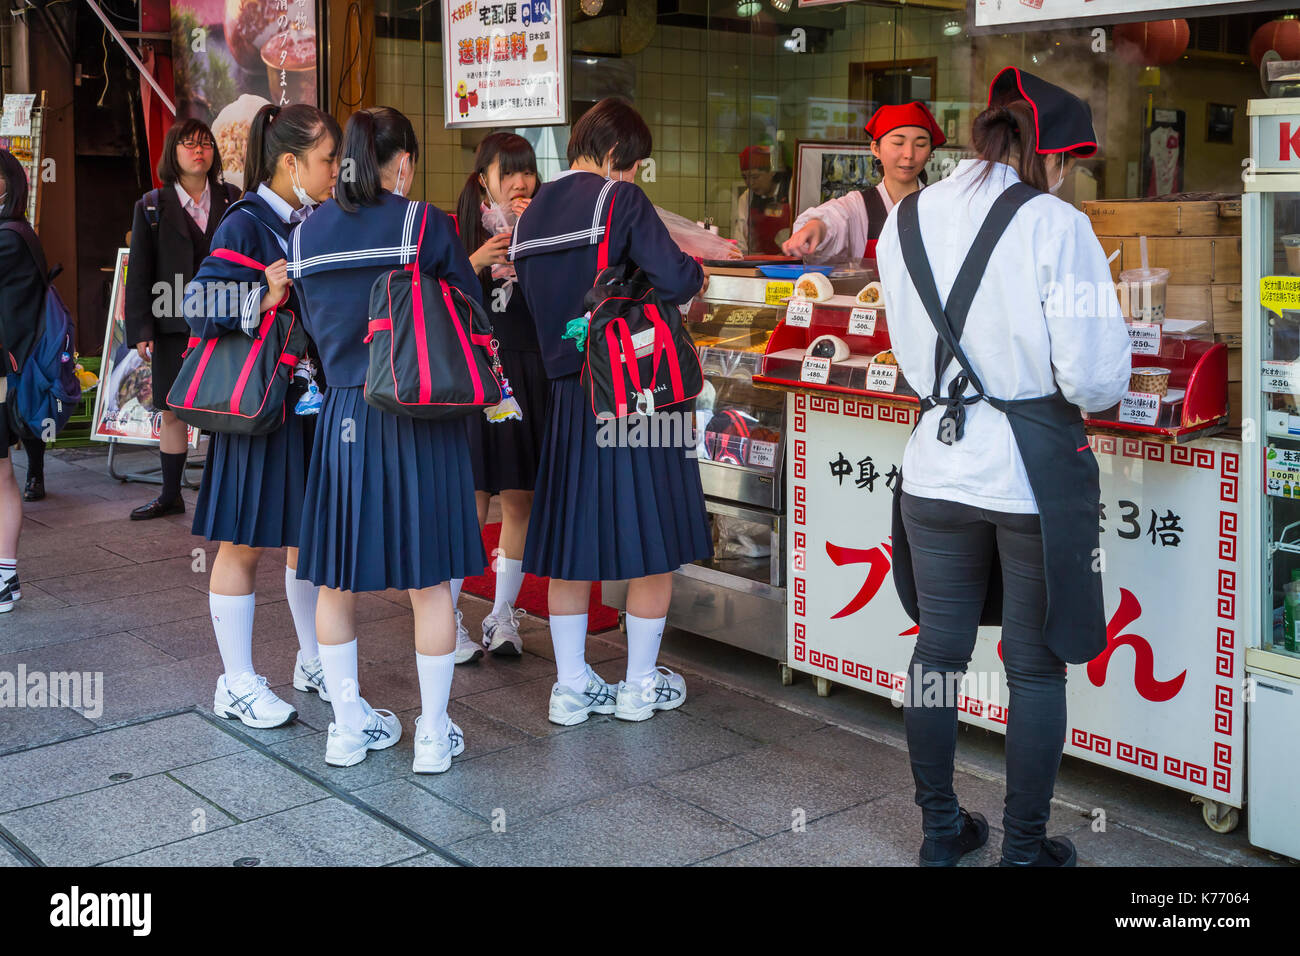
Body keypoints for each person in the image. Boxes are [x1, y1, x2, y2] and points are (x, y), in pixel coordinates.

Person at [875, 68, 1131, 867]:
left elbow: (913, 350)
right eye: (1070, 162)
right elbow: (1095, 379)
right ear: (1050, 155)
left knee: (938, 654)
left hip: (934, 470)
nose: (1067, 177)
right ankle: (1025, 850)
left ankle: (940, 830)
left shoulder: (905, 216)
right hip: (1027, 478)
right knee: (1035, 667)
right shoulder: (1057, 223)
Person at [292, 106, 486, 772]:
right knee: (430, 582)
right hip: (415, 412)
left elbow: (312, 333)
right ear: (401, 161)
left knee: (335, 583)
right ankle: (432, 733)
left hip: (342, 416)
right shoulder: (421, 223)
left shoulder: (305, 234)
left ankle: (348, 727)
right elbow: (470, 314)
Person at [510, 97, 712, 726]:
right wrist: (697, 262)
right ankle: (640, 684)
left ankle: (571, 685)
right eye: (635, 164)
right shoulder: (617, 201)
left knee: (571, 537)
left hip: (569, 397)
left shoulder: (530, 214)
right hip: (634, 392)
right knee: (652, 537)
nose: (633, 176)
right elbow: (679, 281)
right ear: (619, 154)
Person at [183, 103, 340, 729]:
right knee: (242, 544)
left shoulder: (309, 221)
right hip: (255, 411)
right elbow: (197, 301)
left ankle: (310, 659)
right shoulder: (245, 222)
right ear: (290, 163)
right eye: (327, 159)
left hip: (298, 407)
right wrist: (261, 295)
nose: (336, 170)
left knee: (307, 538)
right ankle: (237, 681)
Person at [449, 132, 547, 663]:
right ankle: (447, 617)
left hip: (528, 370)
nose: (520, 182)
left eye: (527, 171)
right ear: (484, 175)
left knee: (520, 496)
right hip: (477, 372)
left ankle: (502, 614)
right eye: (508, 172)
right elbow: (434, 294)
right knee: (469, 496)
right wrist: (477, 260)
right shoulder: (456, 227)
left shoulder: (543, 222)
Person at [124, 119, 241, 520]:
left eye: (206, 144)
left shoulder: (232, 198)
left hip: (226, 319)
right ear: (173, 153)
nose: (199, 151)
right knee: (172, 408)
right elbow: (139, 272)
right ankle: (170, 495)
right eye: (189, 144)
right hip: (171, 321)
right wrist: (140, 329)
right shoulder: (152, 205)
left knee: (227, 406)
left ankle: (226, 495)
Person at [783, 101, 945, 261]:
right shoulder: (858, 206)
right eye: (898, 143)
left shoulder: (942, 205)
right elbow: (833, 217)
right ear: (876, 149)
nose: (909, 154)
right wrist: (816, 226)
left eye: (920, 144)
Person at [0, 147, 45, 613]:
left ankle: (6, 576)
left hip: (2, 373)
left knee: (0, 476)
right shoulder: (15, 233)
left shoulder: (10, 238)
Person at [730, 144, 791, 256]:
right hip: (757, 263)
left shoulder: (792, 190)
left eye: (755, 177)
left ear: (772, 172)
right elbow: (740, 242)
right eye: (745, 177)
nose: (750, 183)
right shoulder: (747, 198)